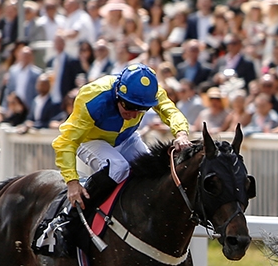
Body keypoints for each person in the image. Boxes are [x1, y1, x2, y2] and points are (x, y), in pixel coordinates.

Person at [52, 63, 191, 211]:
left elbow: (171, 112)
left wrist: (181, 133)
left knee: (152, 172)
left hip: (126, 137)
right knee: (118, 168)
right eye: (129, 106)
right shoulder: (94, 96)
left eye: (141, 109)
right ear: (118, 93)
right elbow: (66, 141)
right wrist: (72, 182)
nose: (133, 115)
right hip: (89, 141)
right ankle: (74, 213)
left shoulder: (151, 91)